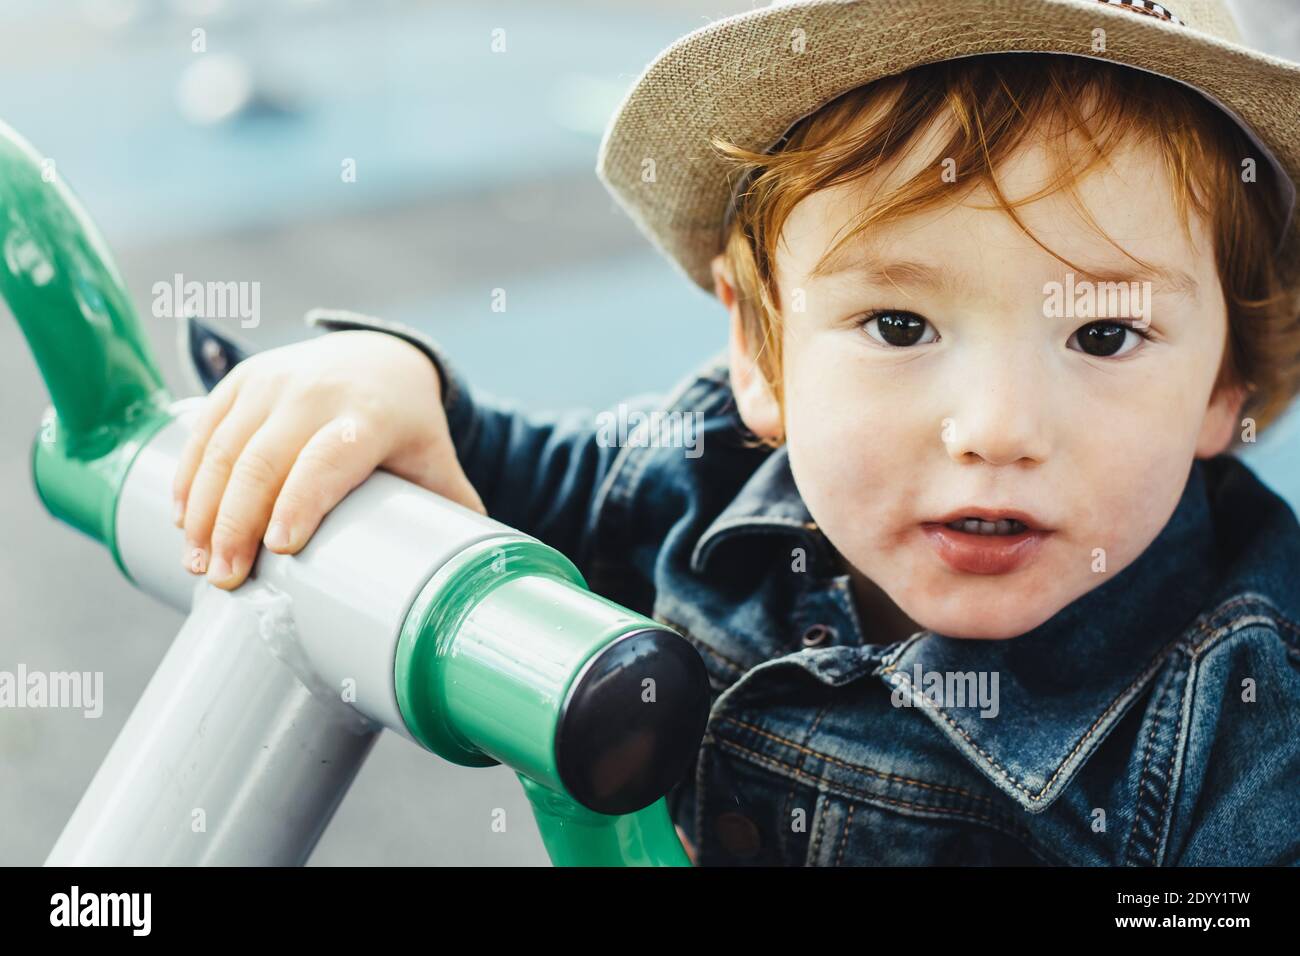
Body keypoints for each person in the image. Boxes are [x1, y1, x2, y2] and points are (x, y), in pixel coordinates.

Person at [172, 0, 1300, 865]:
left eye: (1102, 335)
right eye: (899, 322)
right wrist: (393, 377)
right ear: (761, 356)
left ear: (1223, 382)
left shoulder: (1253, 704)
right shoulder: (702, 470)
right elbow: (488, 462)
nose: (996, 428)